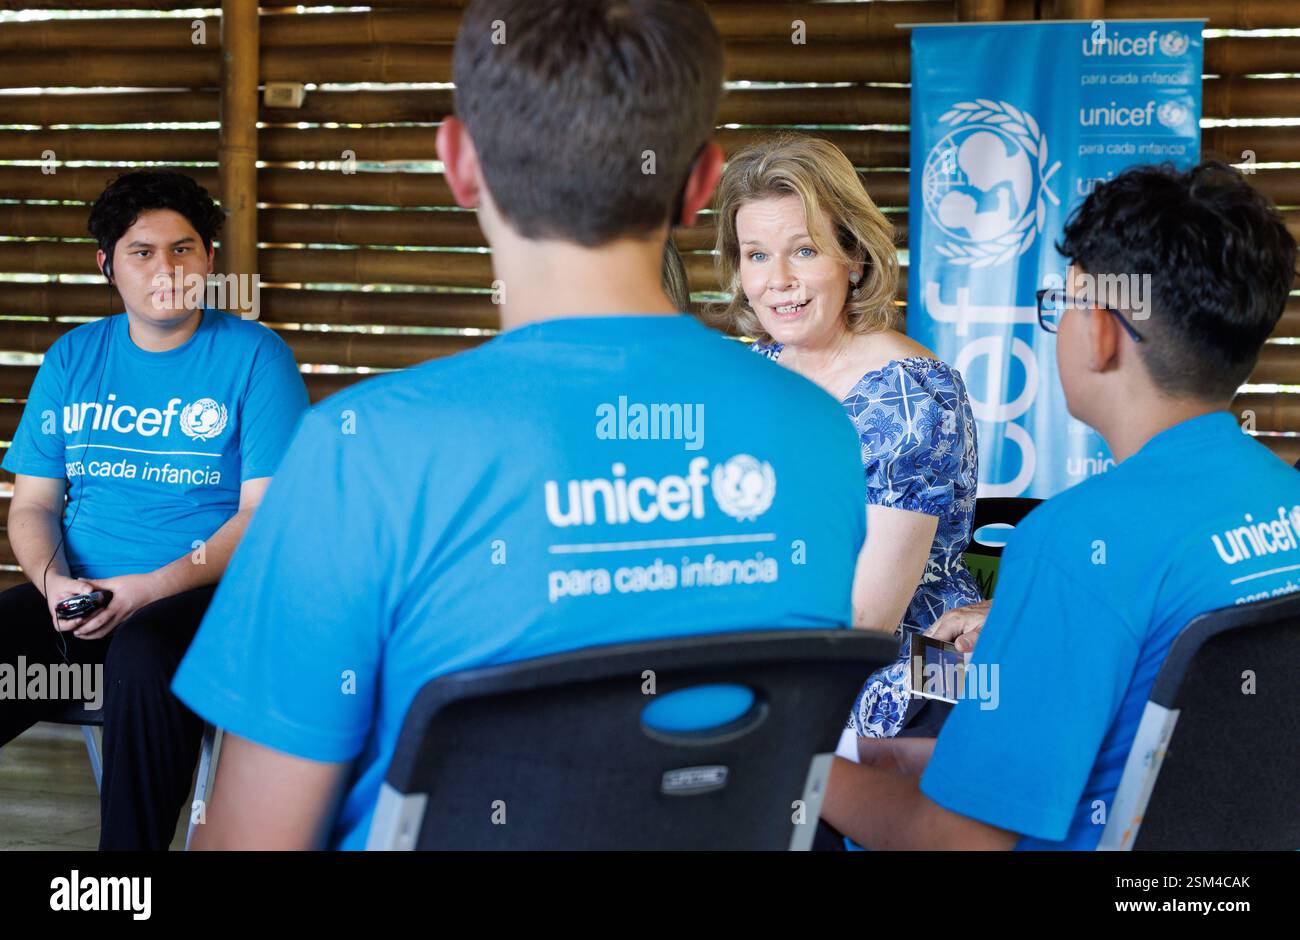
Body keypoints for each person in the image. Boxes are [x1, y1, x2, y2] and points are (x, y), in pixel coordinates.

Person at [170, 0, 868, 850]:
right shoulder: (820, 436)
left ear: (459, 163)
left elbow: (252, 842)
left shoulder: (361, 454)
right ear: (700, 182)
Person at [820, 161, 1300, 849]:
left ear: (1101, 331)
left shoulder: (1073, 543)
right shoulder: (1285, 502)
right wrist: (1027, 627)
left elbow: (958, 842)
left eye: (1065, 302)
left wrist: (804, 768)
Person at [0, 169, 309, 850]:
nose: (166, 267)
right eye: (142, 252)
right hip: (78, 599)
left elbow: (262, 518)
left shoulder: (256, 357)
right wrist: (55, 585)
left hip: (207, 600)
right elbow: (34, 505)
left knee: (142, 654)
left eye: (184, 249)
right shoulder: (73, 357)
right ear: (108, 264)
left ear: (208, 260)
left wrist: (143, 590)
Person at [709, 135, 981, 740]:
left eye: (803, 250)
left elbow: (863, 620)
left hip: (907, 670)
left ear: (854, 258)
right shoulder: (757, 371)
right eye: (756, 255)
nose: (777, 280)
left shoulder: (911, 398)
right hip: (775, 638)